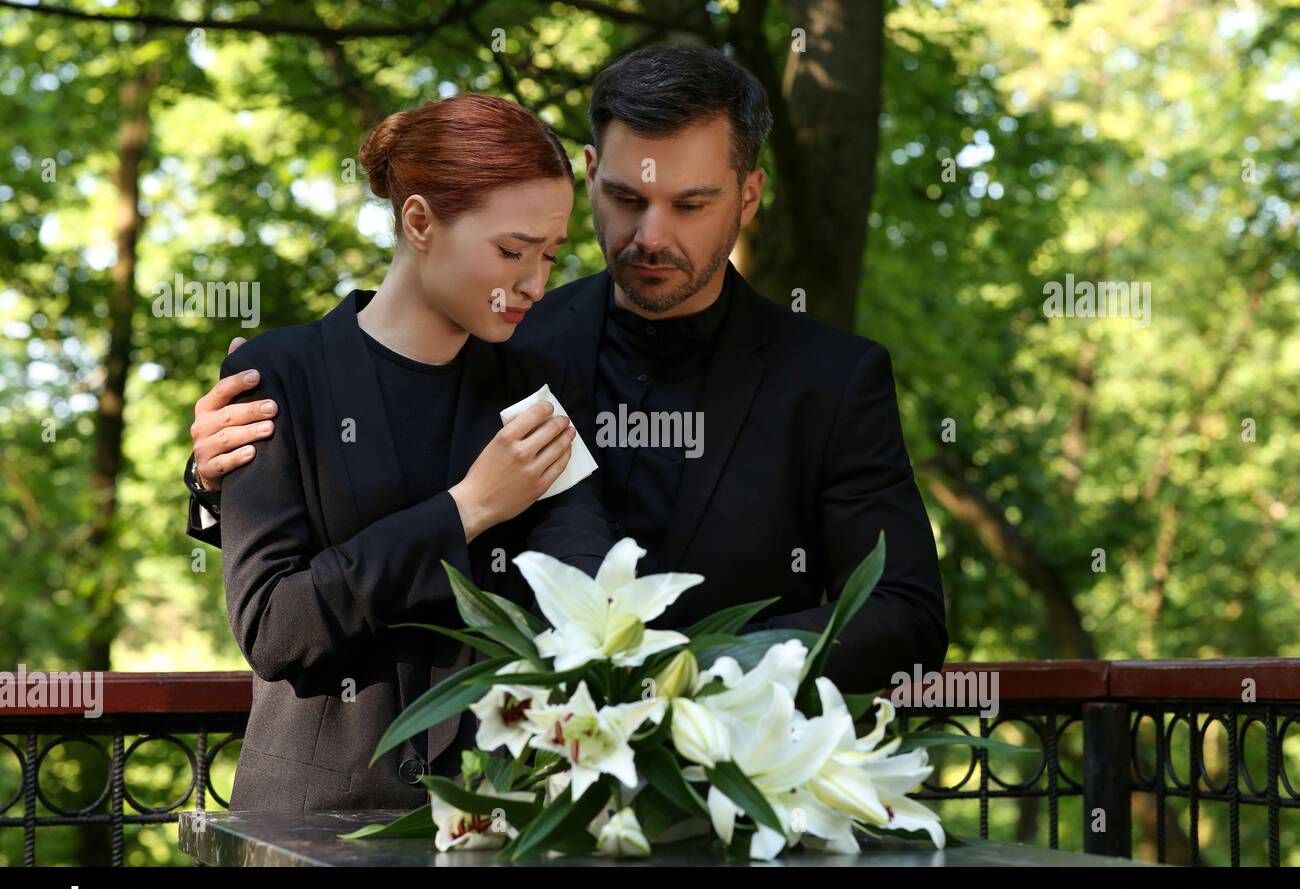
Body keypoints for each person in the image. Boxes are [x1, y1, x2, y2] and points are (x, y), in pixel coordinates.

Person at [188, 44, 948, 706]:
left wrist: (679, 670)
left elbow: (905, 615)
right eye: (626, 198)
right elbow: (371, 458)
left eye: (690, 204)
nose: (651, 236)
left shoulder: (833, 377)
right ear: (589, 174)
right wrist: (223, 477)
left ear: (747, 197)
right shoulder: (504, 335)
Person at [210, 92, 614, 814]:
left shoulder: (535, 390)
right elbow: (276, 627)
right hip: (306, 824)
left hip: (500, 813)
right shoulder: (279, 375)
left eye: (550, 255)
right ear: (420, 221)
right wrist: (469, 509)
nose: (536, 283)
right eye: (512, 251)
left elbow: (579, 598)